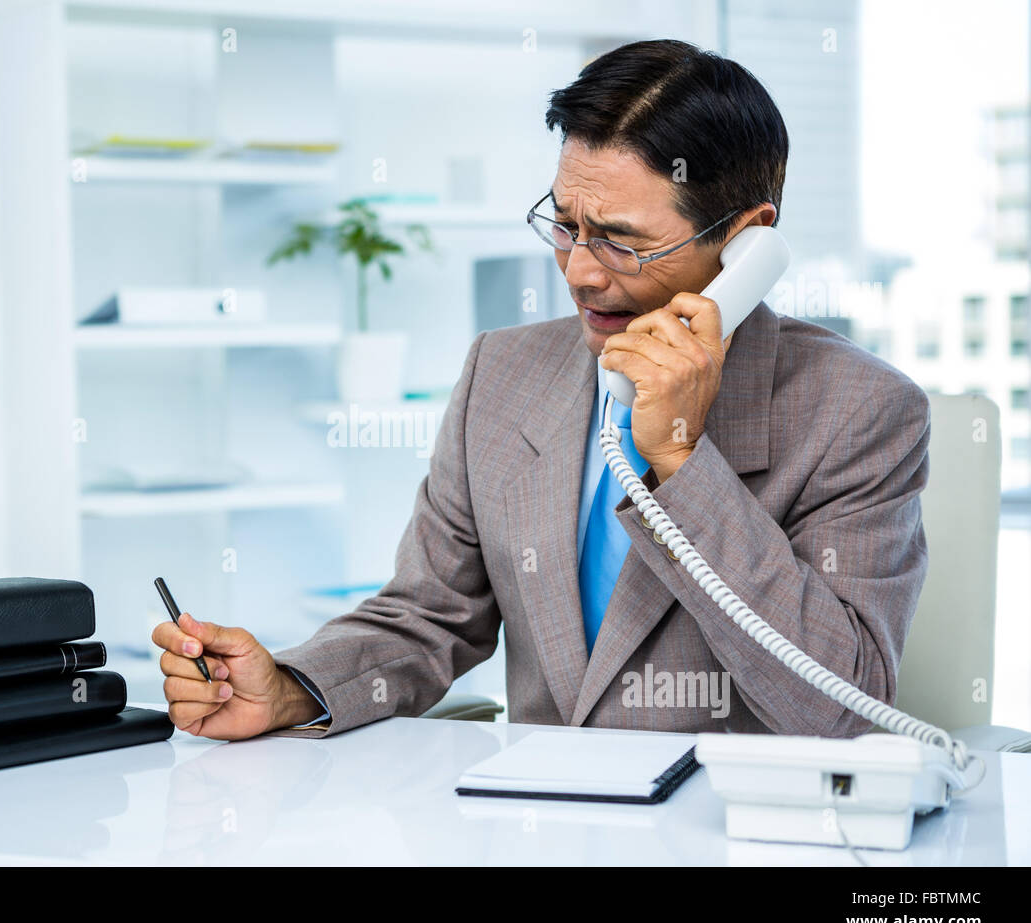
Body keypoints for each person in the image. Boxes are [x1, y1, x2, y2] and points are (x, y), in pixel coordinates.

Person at [153, 38, 930, 742]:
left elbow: (842, 707)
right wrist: (292, 689)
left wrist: (683, 463)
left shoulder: (861, 413)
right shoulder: (502, 374)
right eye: (564, 226)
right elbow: (429, 616)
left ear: (745, 240)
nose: (581, 271)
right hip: (533, 821)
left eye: (622, 242)